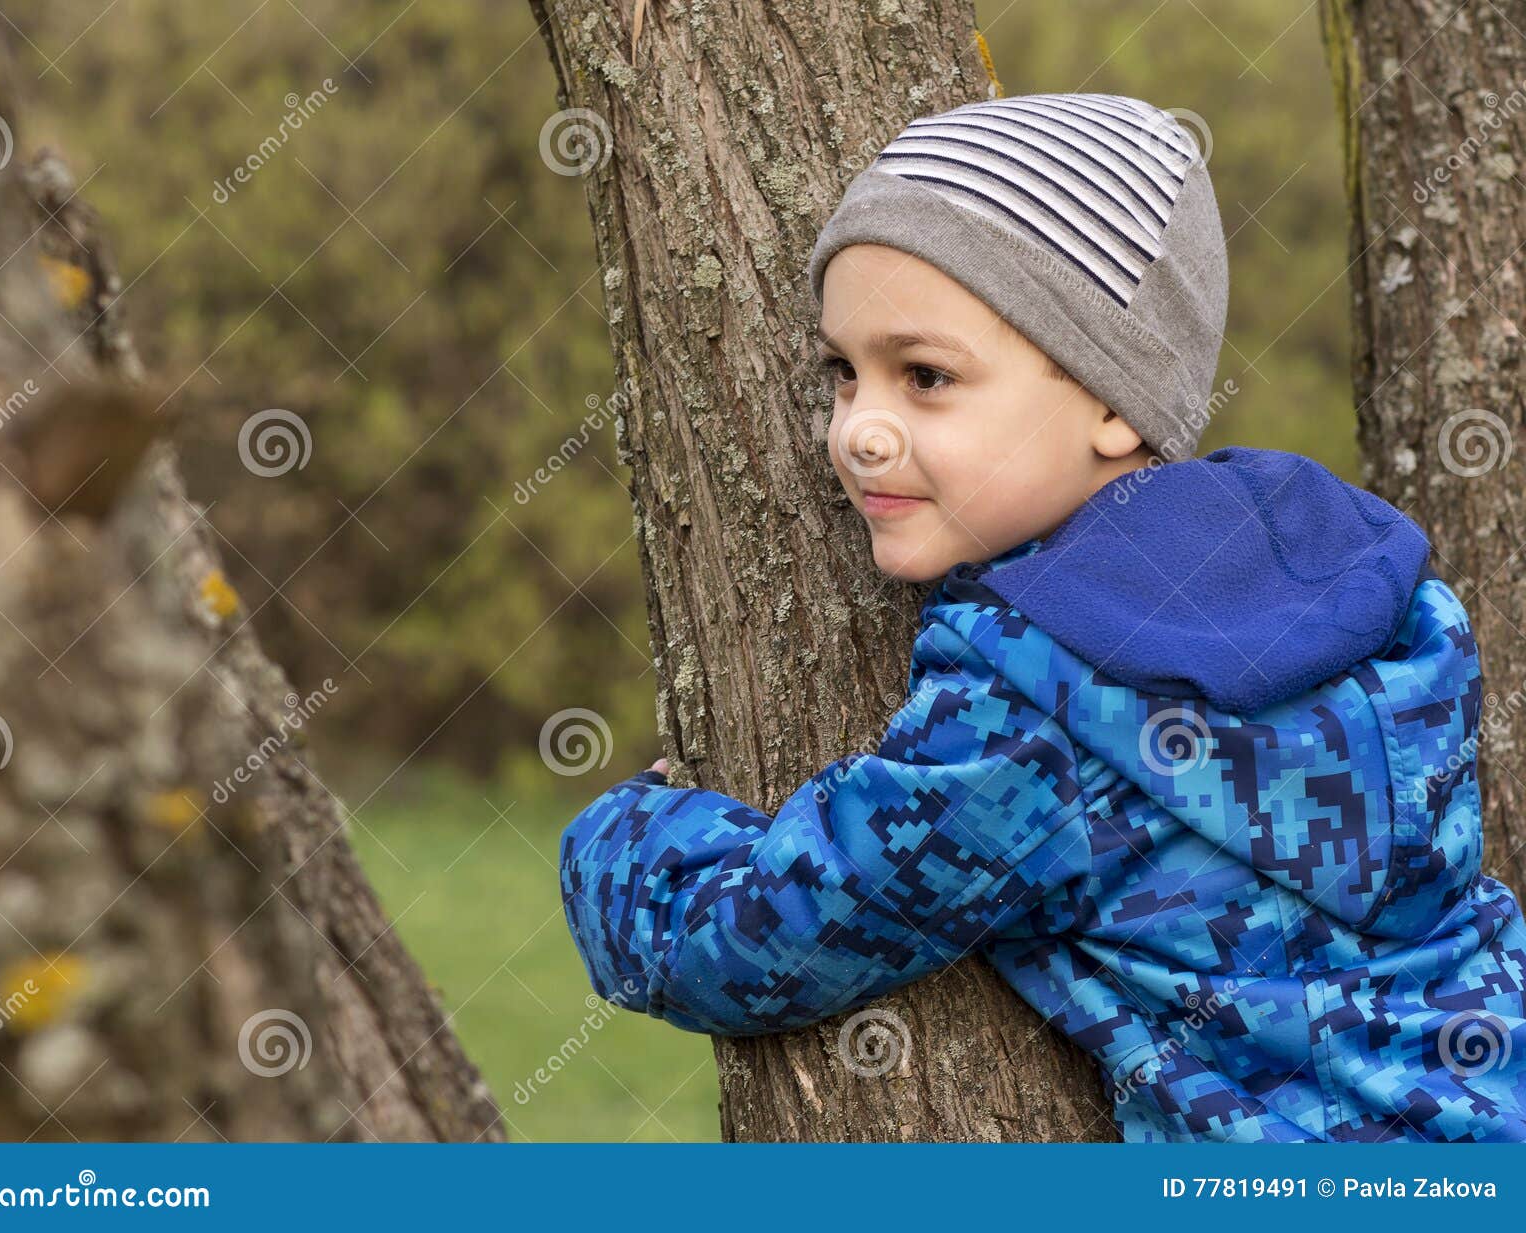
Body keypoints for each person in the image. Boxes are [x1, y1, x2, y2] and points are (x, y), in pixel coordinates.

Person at [558, 90, 1526, 1142]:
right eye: (843, 373)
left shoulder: (1034, 702)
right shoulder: (1372, 592)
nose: (858, 432)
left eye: (925, 377)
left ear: (1115, 403)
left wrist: (624, 838)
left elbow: (761, 946)